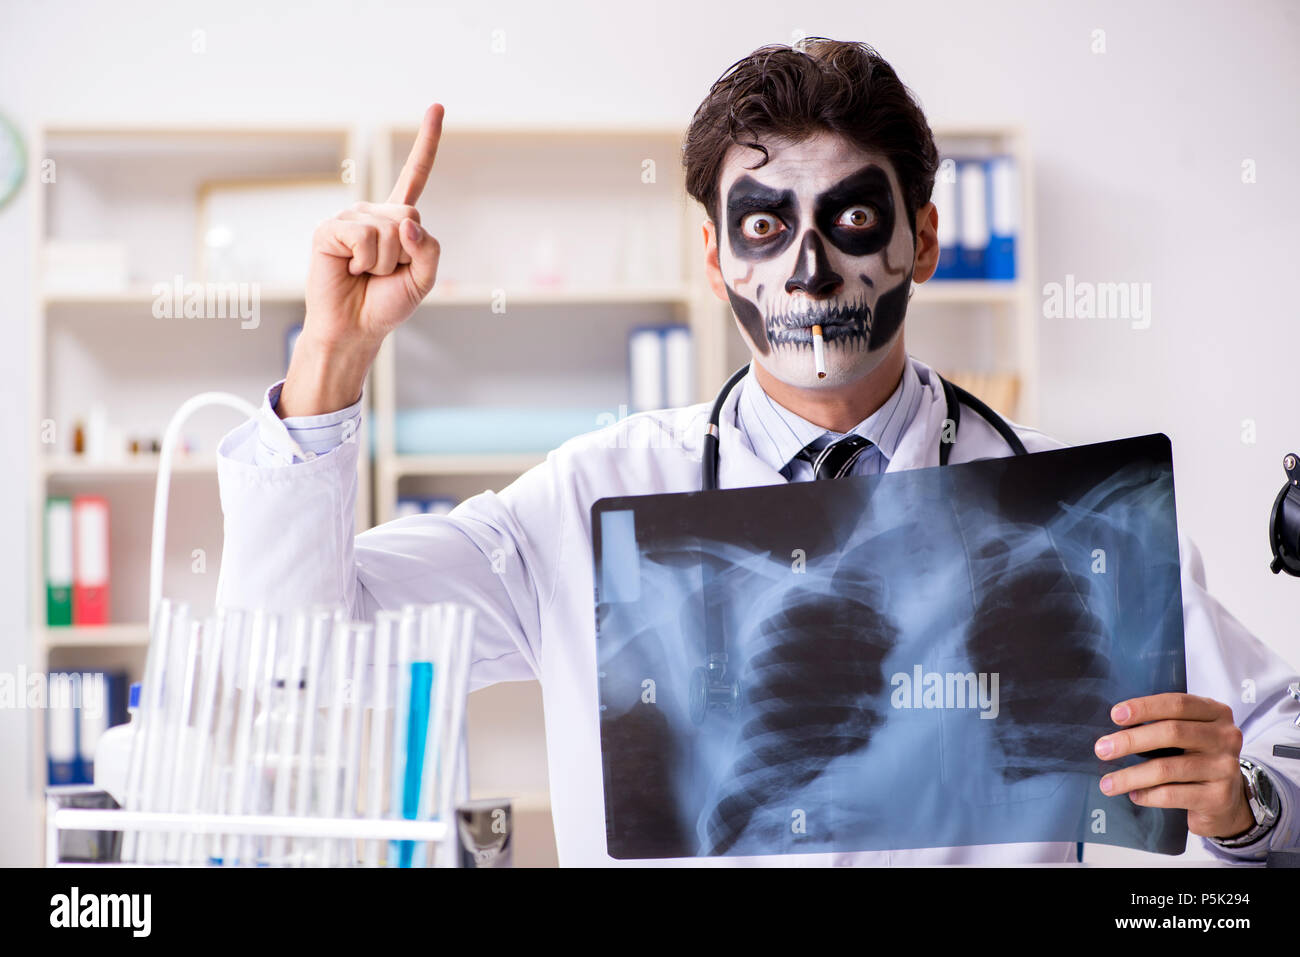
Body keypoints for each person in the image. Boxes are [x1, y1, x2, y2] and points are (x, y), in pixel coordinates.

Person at [215, 38, 1299, 866]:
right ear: (714, 256)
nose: (811, 272)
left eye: (853, 220)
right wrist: (330, 362)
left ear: (922, 237)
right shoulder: (591, 499)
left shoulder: (1077, 510)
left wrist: (1242, 803)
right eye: (766, 226)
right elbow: (294, 662)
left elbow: (1278, 738)